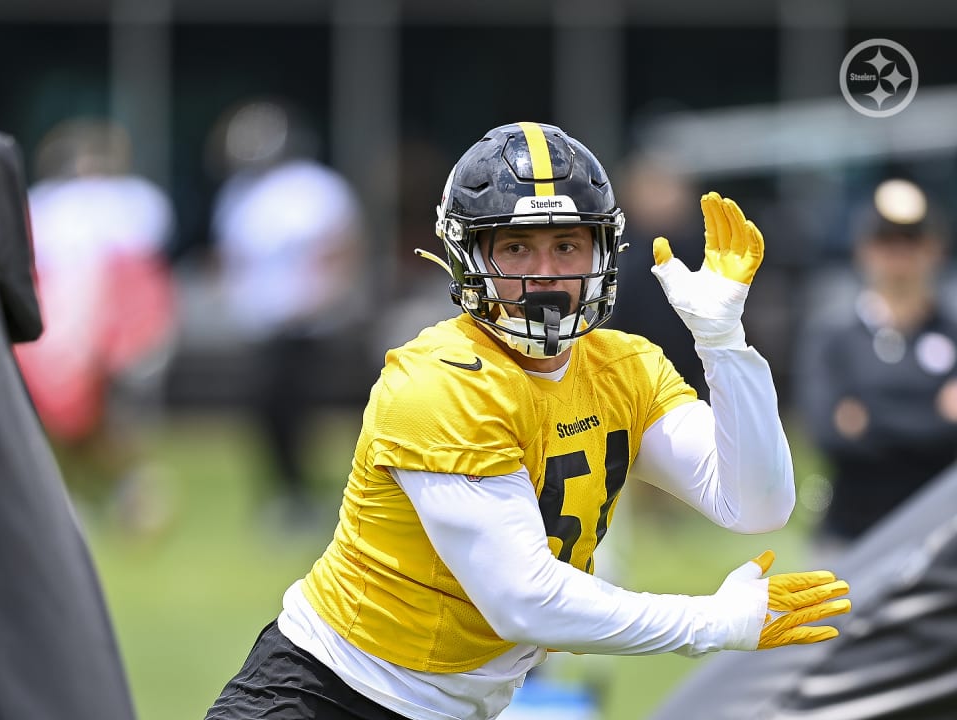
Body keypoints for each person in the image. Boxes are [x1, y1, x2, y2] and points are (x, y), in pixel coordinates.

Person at [205, 122, 851, 720]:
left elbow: (755, 504)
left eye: (565, 245)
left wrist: (725, 345)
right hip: (331, 697)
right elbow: (524, 600)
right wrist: (714, 623)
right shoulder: (440, 380)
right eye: (517, 247)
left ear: (600, 250)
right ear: (470, 257)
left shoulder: (623, 365)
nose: (546, 274)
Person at [14, 118, 178, 534]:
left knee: (108, 423)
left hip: (112, 337)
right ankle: (101, 496)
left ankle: (134, 493)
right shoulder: (46, 205)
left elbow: (138, 278)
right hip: (62, 334)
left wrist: (126, 336)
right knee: (67, 425)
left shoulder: (132, 204)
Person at [208, 99, 367, 526]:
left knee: (316, 409)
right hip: (264, 323)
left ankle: (331, 493)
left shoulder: (314, 188)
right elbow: (231, 257)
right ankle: (286, 492)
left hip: (312, 323)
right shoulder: (240, 195)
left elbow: (341, 249)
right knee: (266, 409)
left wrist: (322, 297)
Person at [795, 178, 957, 559]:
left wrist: (870, 416)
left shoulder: (951, 332)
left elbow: (854, 426)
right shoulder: (833, 335)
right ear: (864, 249)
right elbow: (828, 433)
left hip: (942, 538)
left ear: (934, 248)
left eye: (911, 241)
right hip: (852, 533)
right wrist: (935, 413)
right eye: (886, 241)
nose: (899, 255)